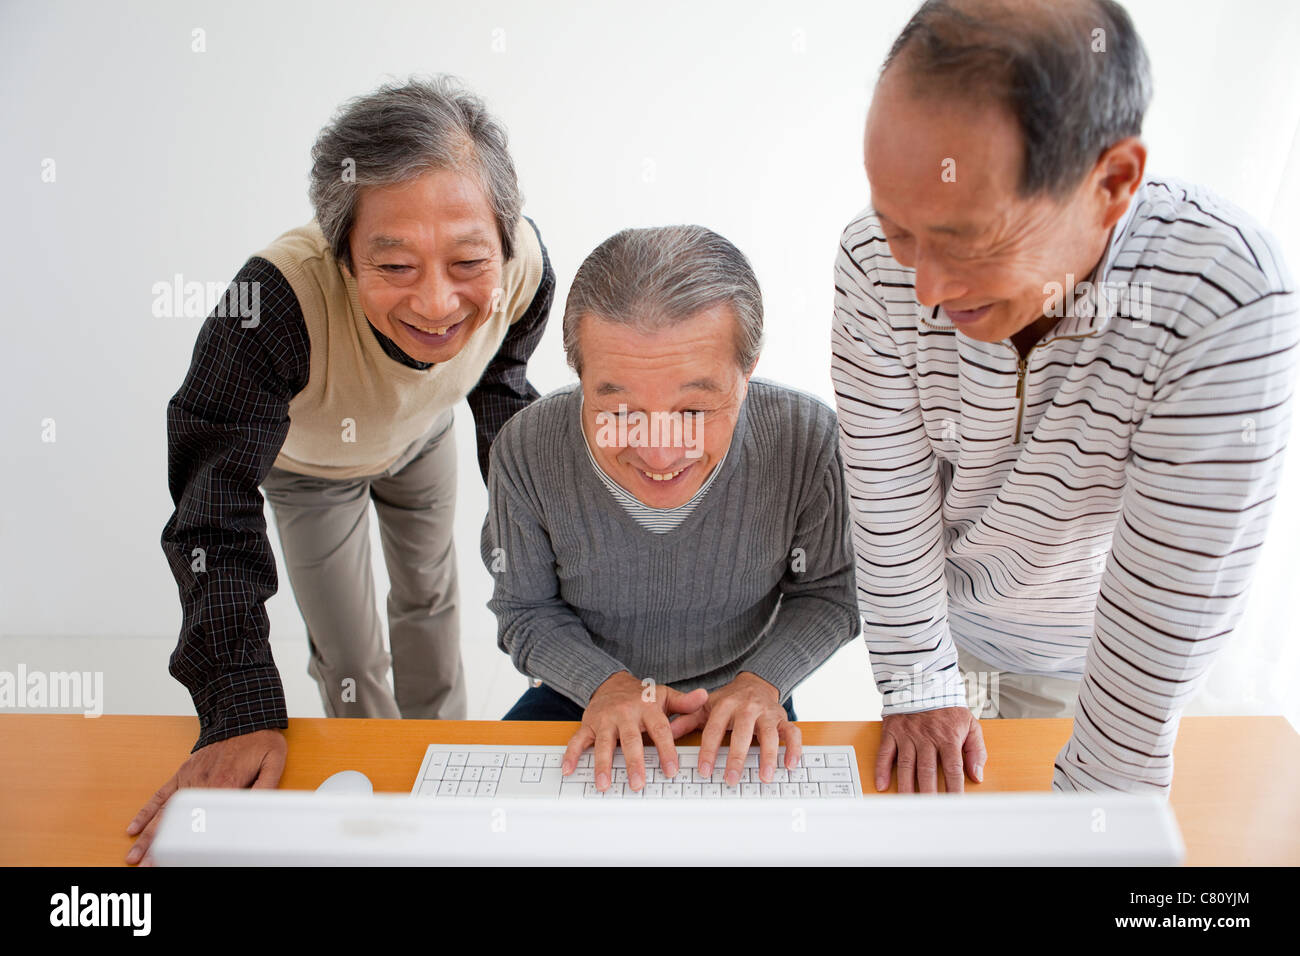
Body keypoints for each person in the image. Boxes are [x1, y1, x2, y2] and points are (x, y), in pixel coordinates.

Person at [832, 0, 1297, 794]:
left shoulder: (1224, 297)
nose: (928, 291)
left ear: (1112, 182)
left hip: (1103, 655)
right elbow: (888, 493)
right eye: (900, 229)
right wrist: (919, 681)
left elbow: (1166, 599)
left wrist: (1101, 801)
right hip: (950, 629)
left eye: (968, 242)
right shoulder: (874, 260)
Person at [127, 76, 555, 863]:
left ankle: (445, 765)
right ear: (343, 253)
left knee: (431, 596)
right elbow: (209, 508)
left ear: (502, 236)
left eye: (466, 259)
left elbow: (501, 387)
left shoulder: (525, 268)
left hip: (419, 437)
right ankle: (380, 790)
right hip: (310, 462)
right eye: (393, 267)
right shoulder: (270, 306)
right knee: (350, 649)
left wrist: (551, 539)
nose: (437, 303)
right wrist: (239, 708)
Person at [482, 225, 859, 793]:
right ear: (580, 376)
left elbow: (831, 590)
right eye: (621, 408)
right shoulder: (528, 448)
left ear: (747, 370)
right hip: (580, 692)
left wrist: (764, 680)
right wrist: (605, 685)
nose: (658, 452)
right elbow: (524, 608)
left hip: (743, 699)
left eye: (693, 410)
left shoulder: (808, 441)